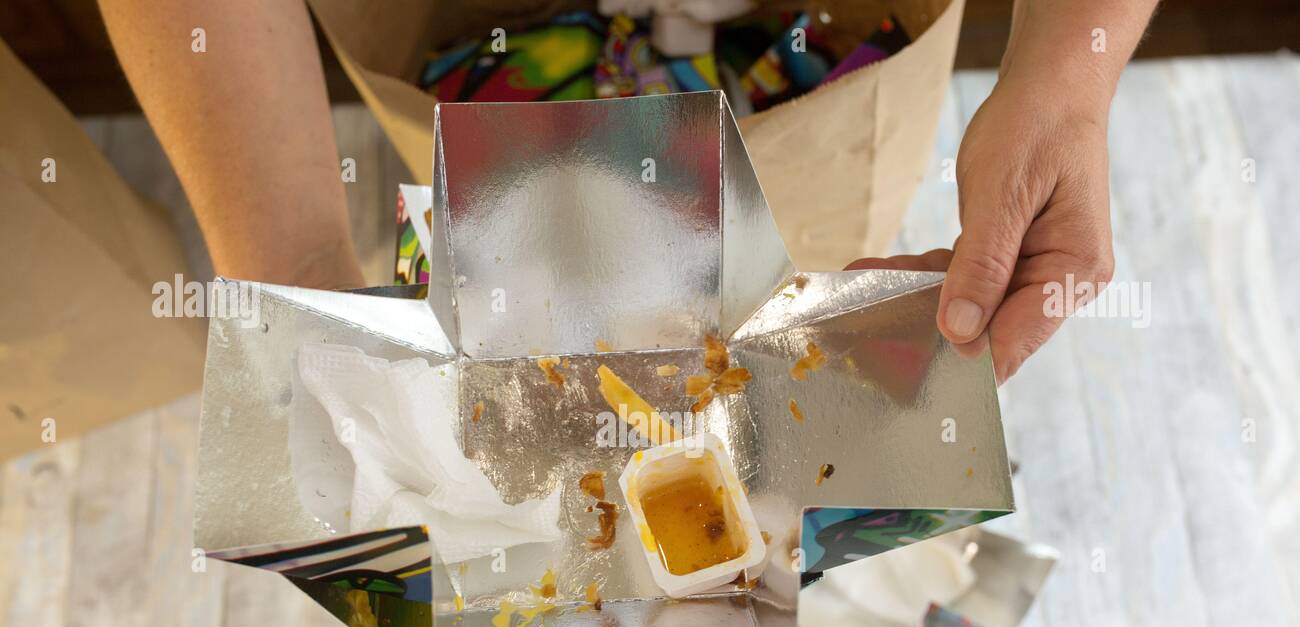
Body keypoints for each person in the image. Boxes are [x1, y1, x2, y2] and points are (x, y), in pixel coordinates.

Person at [101, 0, 1159, 383]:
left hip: (814, 45)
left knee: (788, 320)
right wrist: (291, 266)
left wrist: (1069, 76)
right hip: (481, 23)